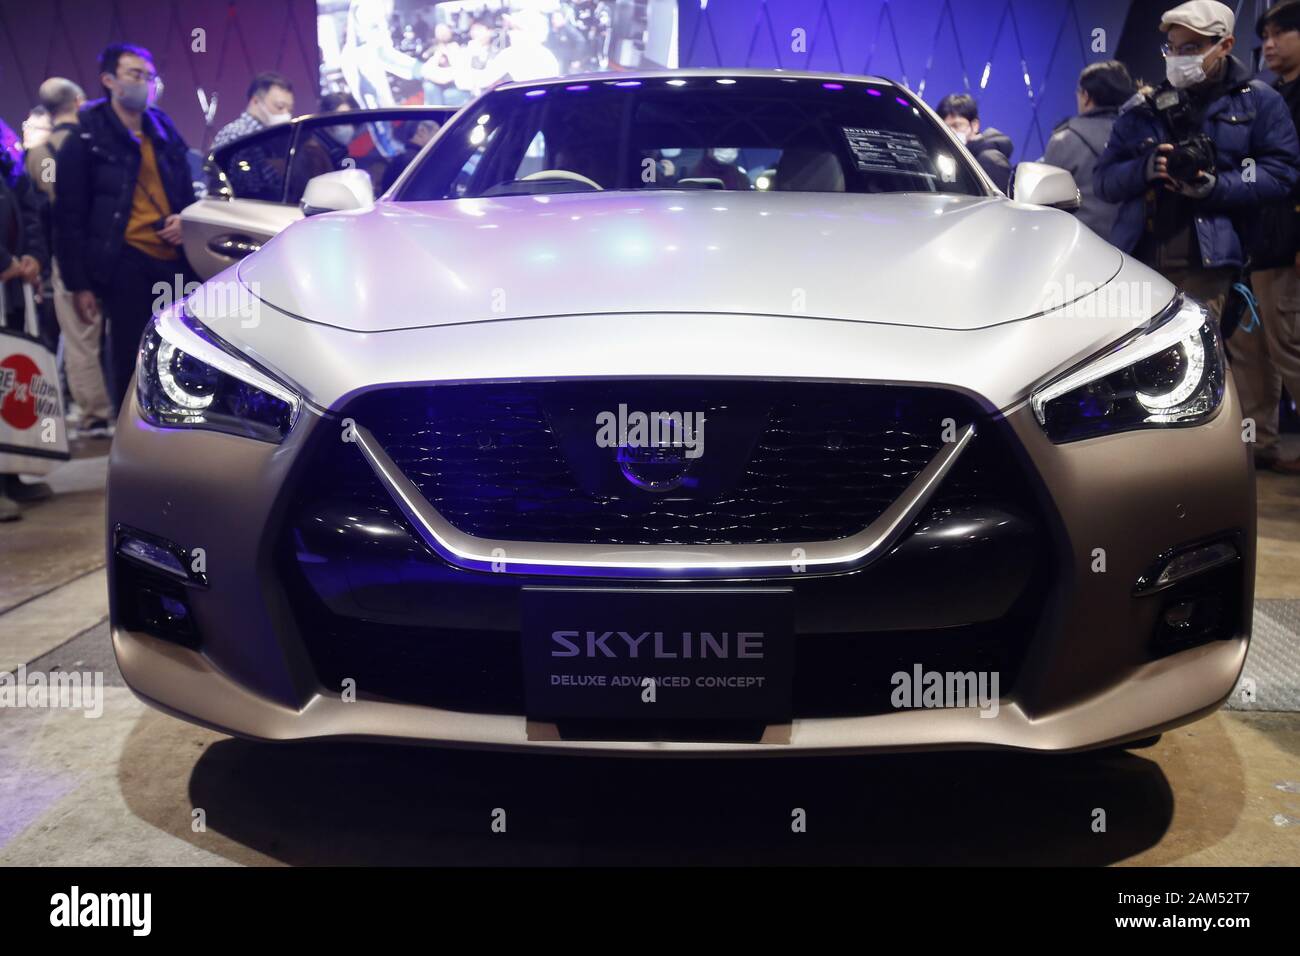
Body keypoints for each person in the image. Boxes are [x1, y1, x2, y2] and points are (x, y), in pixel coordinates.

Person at [1095, 1, 1300, 327]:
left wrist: (1216, 186)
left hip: (1208, 268)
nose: (1177, 58)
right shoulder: (1144, 108)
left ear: (1225, 45)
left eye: (1190, 48)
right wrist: (1145, 169)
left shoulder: (1257, 101)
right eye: (1172, 48)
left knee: (1206, 366)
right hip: (1138, 262)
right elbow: (1104, 181)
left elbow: (1279, 173)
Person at [54, 43, 198, 409]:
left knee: (180, 351)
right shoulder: (85, 139)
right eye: (135, 75)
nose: (145, 83)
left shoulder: (163, 129)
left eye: (150, 76)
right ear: (109, 80)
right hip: (124, 260)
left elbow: (187, 189)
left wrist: (187, 220)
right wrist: (79, 284)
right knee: (129, 355)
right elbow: (68, 216)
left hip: (173, 258)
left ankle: (177, 434)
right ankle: (130, 435)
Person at [23, 78, 113, 439]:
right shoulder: (99, 144)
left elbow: (54, 199)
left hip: (68, 254)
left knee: (80, 337)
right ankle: (124, 406)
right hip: (113, 249)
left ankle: (94, 415)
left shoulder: (42, 153)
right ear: (79, 100)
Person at [1233, 0, 1300, 473]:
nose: (1270, 45)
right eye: (1266, 37)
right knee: (1254, 350)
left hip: (1289, 243)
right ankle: (1262, 441)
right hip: (1260, 242)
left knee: (1291, 346)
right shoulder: (1272, 94)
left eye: (1281, 34)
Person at [0, 140, 49, 521]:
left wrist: (32, 257)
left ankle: (10, 473)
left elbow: (30, 210)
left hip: (12, 283)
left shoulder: (8, 157)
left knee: (10, 375)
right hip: (6, 272)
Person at [1042, 61, 1134, 243]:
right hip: (1133, 252)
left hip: (1081, 250)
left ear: (1086, 96)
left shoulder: (1065, 139)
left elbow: (1044, 206)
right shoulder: (1140, 134)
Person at [936, 93, 1015, 192]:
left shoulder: (991, 161)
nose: (951, 132)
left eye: (957, 125)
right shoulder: (961, 158)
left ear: (975, 125)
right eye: (946, 127)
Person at [211, 71, 295, 150]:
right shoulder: (236, 134)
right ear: (255, 101)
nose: (286, 114)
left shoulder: (275, 137)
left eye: (290, 110)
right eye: (280, 107)